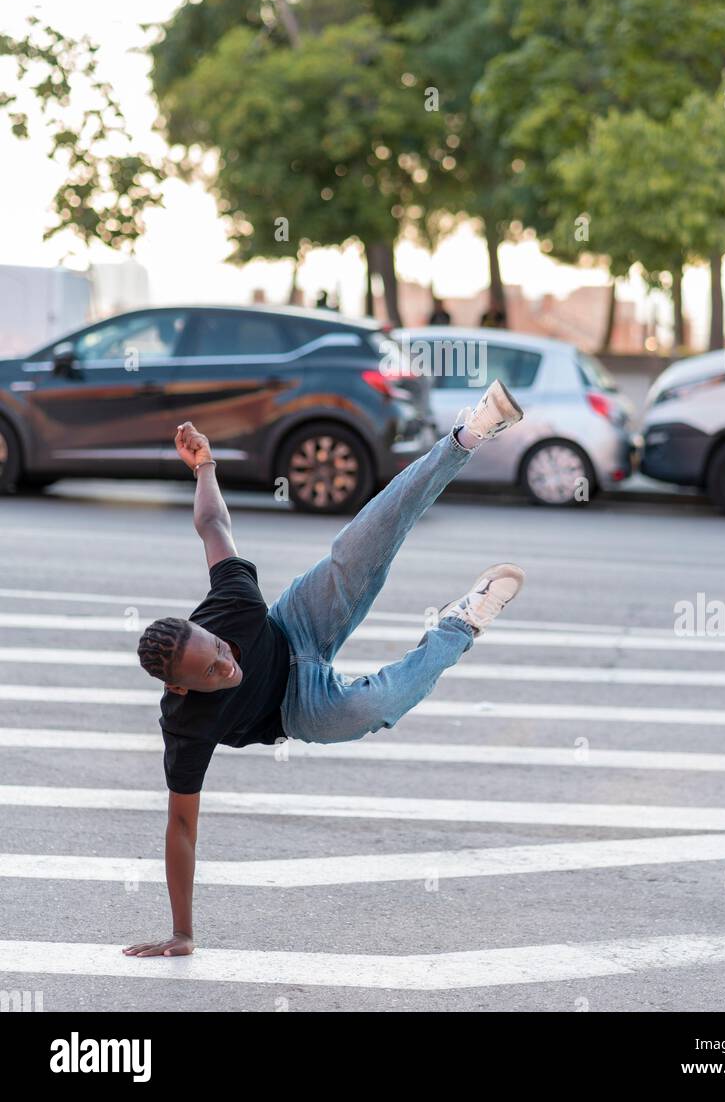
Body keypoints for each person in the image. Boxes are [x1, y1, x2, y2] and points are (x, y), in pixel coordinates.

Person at [123, 380, 526, 958]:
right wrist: (182, 932)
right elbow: (181, 829)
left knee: (368, 534)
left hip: (295, 625)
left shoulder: (230, 608)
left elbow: (213, 528)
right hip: (295, 707)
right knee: (371, 707)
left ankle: (469, 432)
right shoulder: (185, 726)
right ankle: (461, 625)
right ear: (181, 686)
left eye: (220, 650)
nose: (226, 665)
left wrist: (205, 464)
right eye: (211, 673)